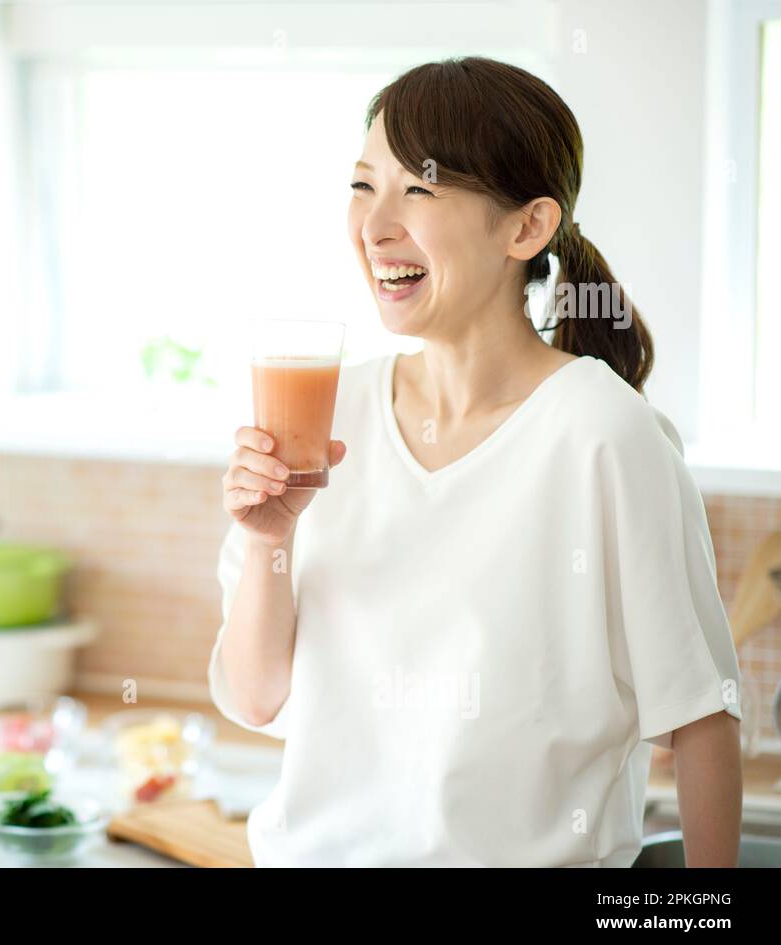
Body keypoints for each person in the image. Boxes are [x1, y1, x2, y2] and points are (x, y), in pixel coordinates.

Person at [213, 57, 742, 867]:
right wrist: (265, 539)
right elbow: (254, 699)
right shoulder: (327, 412)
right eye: (363, 186)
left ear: (525, 228)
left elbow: (702, 718)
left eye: (418, 191)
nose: (376, 225)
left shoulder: (604, 432)